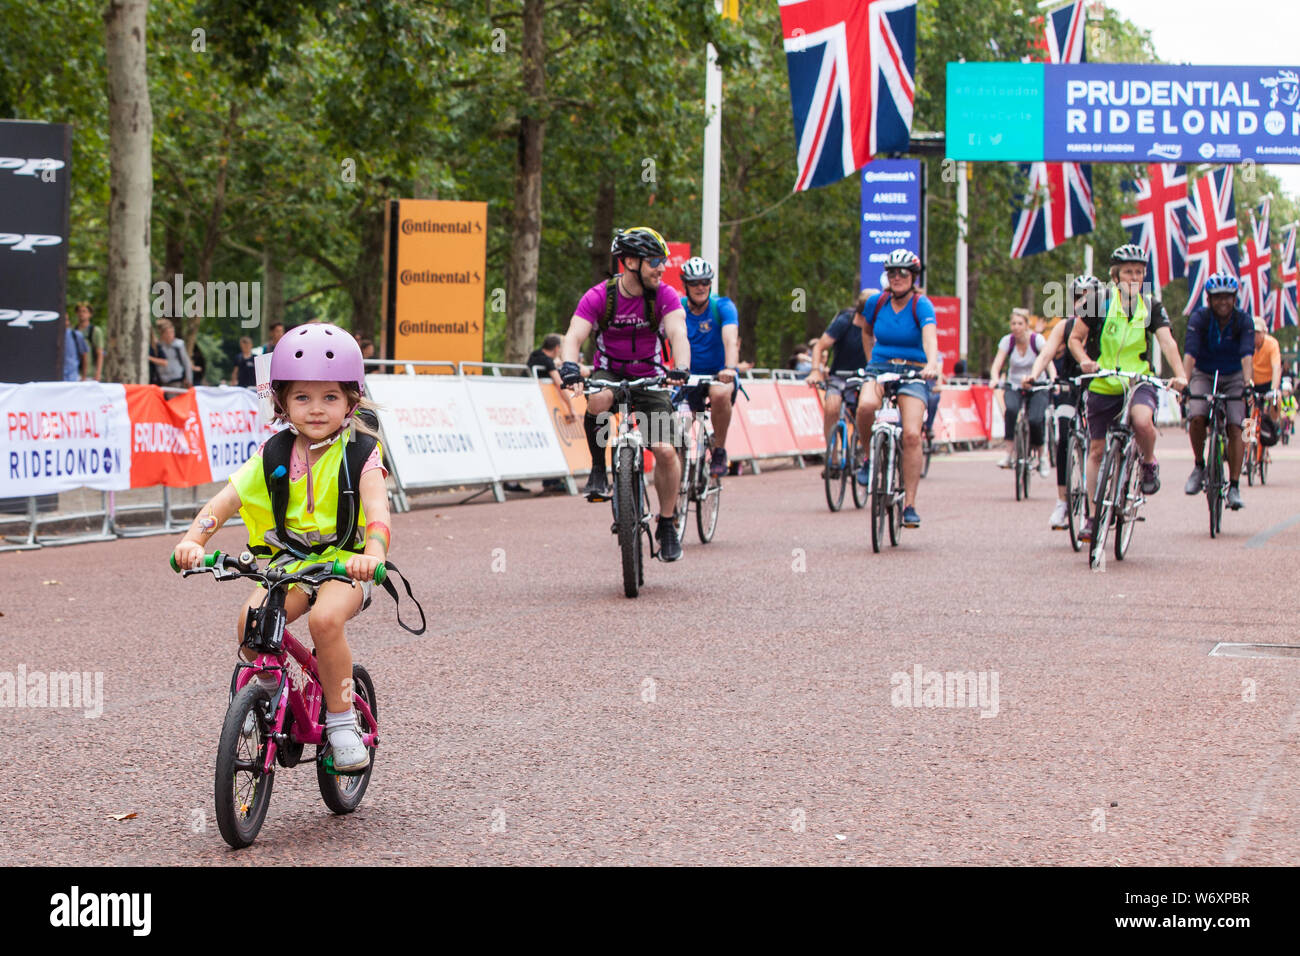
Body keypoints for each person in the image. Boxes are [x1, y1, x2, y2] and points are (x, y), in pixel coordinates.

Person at [171, 324, 390, 772]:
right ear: (282, 402)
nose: (315, 409)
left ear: (351, 400)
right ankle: (268, 693)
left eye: (330, 397)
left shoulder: (361, 452)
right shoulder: (272, 454)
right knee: (251, 621)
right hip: (288, 562)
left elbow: (378, 513)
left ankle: (344, 720)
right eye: (302, 397)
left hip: (345, 563)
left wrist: (375, 554)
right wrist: (194, 539)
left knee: (326, 621)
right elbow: (224, 502)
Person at [559, 226, 691, 561]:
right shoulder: (600, 295)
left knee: (664, 450)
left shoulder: (665, 295)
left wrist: (680, 368)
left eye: (663, 261)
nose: (662, 267)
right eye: (654, 261)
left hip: (650, 375)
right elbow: (573, 336)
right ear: (630, 261)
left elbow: (678, 333)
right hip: (611, 371)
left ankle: (667, 522)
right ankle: (598, 469)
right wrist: (570, 368)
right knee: (599, 398)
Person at [1069, 243, 1187, 542]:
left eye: (1139, 272)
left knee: (1143, 421)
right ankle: (1092, 516)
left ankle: (1148, 463)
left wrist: (1180, 374)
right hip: (1104, 381)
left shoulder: (1151, 306)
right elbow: (1074, 339)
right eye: (1127, 272)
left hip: (1138, 381)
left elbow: (1168, 342)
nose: (1133, 277)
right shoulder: (1098, 302)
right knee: (1096, 451)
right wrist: (1084, 360)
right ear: (1115, 275)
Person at [851, 248, 941, 528]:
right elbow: (867, 331)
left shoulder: (921, 304)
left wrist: (931, 364)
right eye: (891, 273)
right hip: (880, 367)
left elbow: (930, 337)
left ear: (913, 276)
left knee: (912, 435)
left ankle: (910, 504)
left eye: (902, 273)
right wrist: (870, 362)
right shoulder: (876, 303)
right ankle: (868, 458)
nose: (897, 277)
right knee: (865, 406)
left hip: (914, 369)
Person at [1026, 275, 1105, 529]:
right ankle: (1062, 501)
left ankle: (1102, 496)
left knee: (1101, 440)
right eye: (1077, 297)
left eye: (1087, 296)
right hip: (1070, 386)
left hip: (1102, 387)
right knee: (1064, 434)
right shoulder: (1065, 326)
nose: (1082, 301)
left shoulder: (1107, 323)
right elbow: (1047, 352)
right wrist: (1034, 374)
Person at [1181, 272, 1253, 510]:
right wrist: (1184, 382)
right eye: (1217, 297)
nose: (1223, 302)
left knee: (1236, 425)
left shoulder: (1243, 320)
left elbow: (1246, 356)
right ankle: (1199, 466)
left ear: (1235, 299)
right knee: (1197, 414)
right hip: (1204, 373)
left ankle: (1233, 486)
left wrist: (1248, 384)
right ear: (1209, 299)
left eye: (1228, 297)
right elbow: (1190, 353)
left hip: (1233, 376)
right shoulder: (1199, 318)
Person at [677, 256, 739, 476]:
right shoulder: (678, 308)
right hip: (686, 376)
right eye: (694, 282)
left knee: (720, 394)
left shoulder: (722, 306)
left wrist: (729, 368)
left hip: (718, 374)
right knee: (675, 425)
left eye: (705, 281)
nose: (700, 286)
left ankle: (719, 450)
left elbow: (731, 339)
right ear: (686, 284)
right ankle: (677, 481)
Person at [989, 308, 1050, 476]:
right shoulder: (1007, 342)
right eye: (1013, 323)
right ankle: (1008, 453)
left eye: (1019, 323)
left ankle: (1042, 456)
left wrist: (1054, 379)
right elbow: (997, 364)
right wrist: (995, 378)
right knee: (1011, 410)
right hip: (1014, 385)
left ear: (1026, 325)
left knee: (1036, 420)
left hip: (1037, 385)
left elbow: (1047, 360)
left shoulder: (1037, 340)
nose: (1016, 327)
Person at [808, 289, 870, 449]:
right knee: (831, 408)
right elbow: (819, 347)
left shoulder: (880, 325)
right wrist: (815, 371)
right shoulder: (844, 322)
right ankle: (832, 454)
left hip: (867, 377)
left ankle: (866, 451)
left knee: (869, 409)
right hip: (840, 376)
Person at [527, 332, 581, 493]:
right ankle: (551, 480)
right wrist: (571, 408)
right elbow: (560, 384)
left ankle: (550, 480)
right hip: (540, 407)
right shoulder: (547, 361)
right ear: (557, 348)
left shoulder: (535, 356)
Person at [1250, 315, 1282, 422]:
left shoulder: (1272, 344)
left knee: (1276, 399)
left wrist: (1274, 390)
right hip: (1253, 382)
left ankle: (1274, 425)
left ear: (1264, 332)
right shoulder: (1247, 344)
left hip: (1268, 383)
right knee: (1247, 406)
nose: (1255, 335)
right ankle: (1248, 435)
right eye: (1253, 332)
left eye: (1258, 332)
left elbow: (1276, 367)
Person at [150, 319, 192, 388]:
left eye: (172, 332)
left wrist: (189, 380)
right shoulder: (157, 346)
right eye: (168, 333)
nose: (170, 335)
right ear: (162, 334)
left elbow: (186, 362)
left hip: (177, 380)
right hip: (161, 381)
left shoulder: (178, 345)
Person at [74, 302, 105, 382]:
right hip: (76, 374)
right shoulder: (73, 331)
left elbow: (100, 353)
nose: (81, 314)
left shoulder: (95, 331)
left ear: (90, 314)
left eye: (84, 311)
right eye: (80, 311)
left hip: (91, 375)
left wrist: (98, 374)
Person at [62, 315, 89, 382]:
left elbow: (84, 356)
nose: (65, 322)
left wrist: (84, 377)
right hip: (54, 380)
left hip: (72, 379)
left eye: (66, 320)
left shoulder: (76, 335)